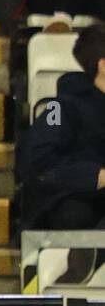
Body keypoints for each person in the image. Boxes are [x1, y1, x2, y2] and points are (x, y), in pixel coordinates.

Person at [19, 24, 105, 282]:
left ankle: (90, 257)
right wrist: (96, 176)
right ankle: (82, 262)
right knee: (75, 213)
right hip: (76, 202)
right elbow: (39, 161)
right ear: (102, 65)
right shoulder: (60, 107)